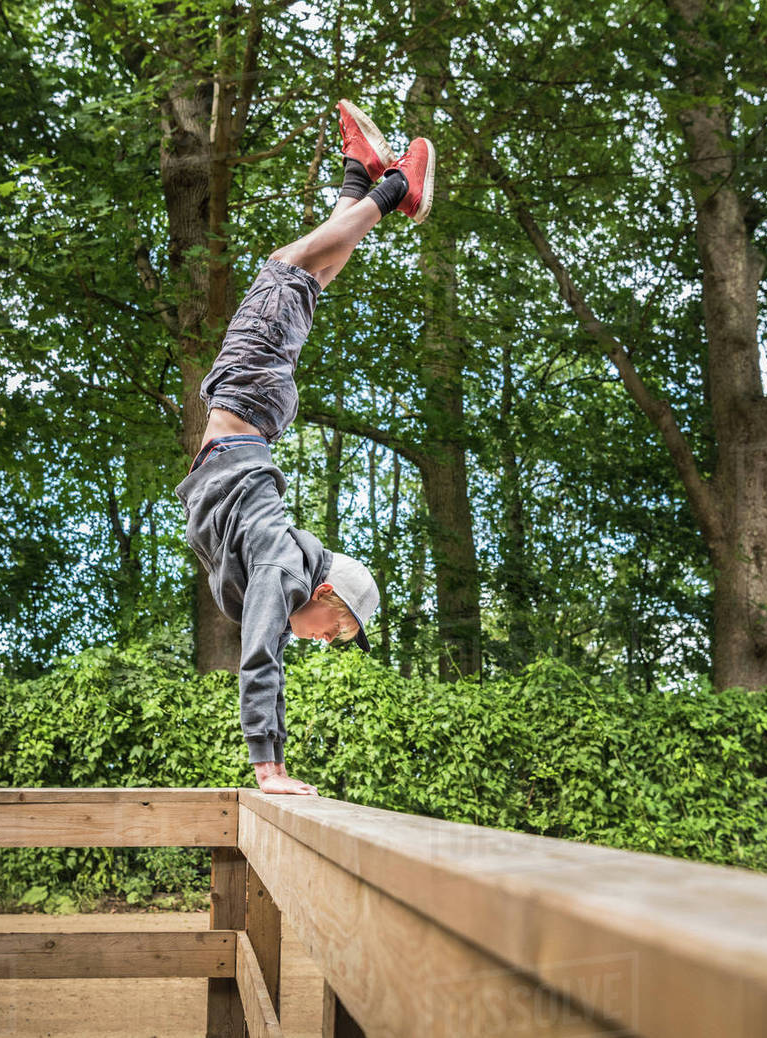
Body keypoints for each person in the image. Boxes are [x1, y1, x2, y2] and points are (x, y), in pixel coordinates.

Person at [175, 101, 435, 796]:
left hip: (252, 410)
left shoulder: (279, 564)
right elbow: (260, 655)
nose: (323, 640)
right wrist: (269, 766)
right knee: (288, 269)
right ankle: (393, 189)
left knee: (305, 278)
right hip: (248, 401)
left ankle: (359, 175)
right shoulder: (282, 566)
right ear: (323, 592)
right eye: (335, 629)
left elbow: (266, 629)